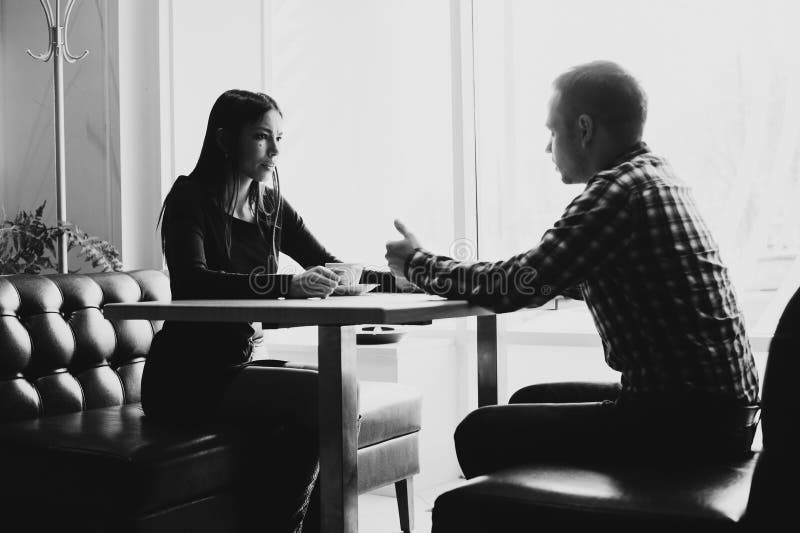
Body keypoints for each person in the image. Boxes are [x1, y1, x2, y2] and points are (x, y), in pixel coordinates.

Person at [385, 61, 761, 476]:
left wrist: (416, 263)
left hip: (680, 423)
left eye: (552, 131)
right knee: (526, 400)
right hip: (722, 416)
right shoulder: (656, 176)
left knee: (479, 431)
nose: (548, 148)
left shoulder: (617, 191)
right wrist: (548, 279)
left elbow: (513, 286)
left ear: (584, 129)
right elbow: (585, 275)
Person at [142, 89, 398, 533]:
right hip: (183, 378)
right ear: (224, 139)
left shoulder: (269, 206)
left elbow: (333, 265)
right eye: (262, 137)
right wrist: (287, 285)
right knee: (331, 399)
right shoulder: (190, 197)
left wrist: (410, 277)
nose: (275, 150)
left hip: (235, 365)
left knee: (331, 400)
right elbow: (192, 282)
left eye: (278, 137)